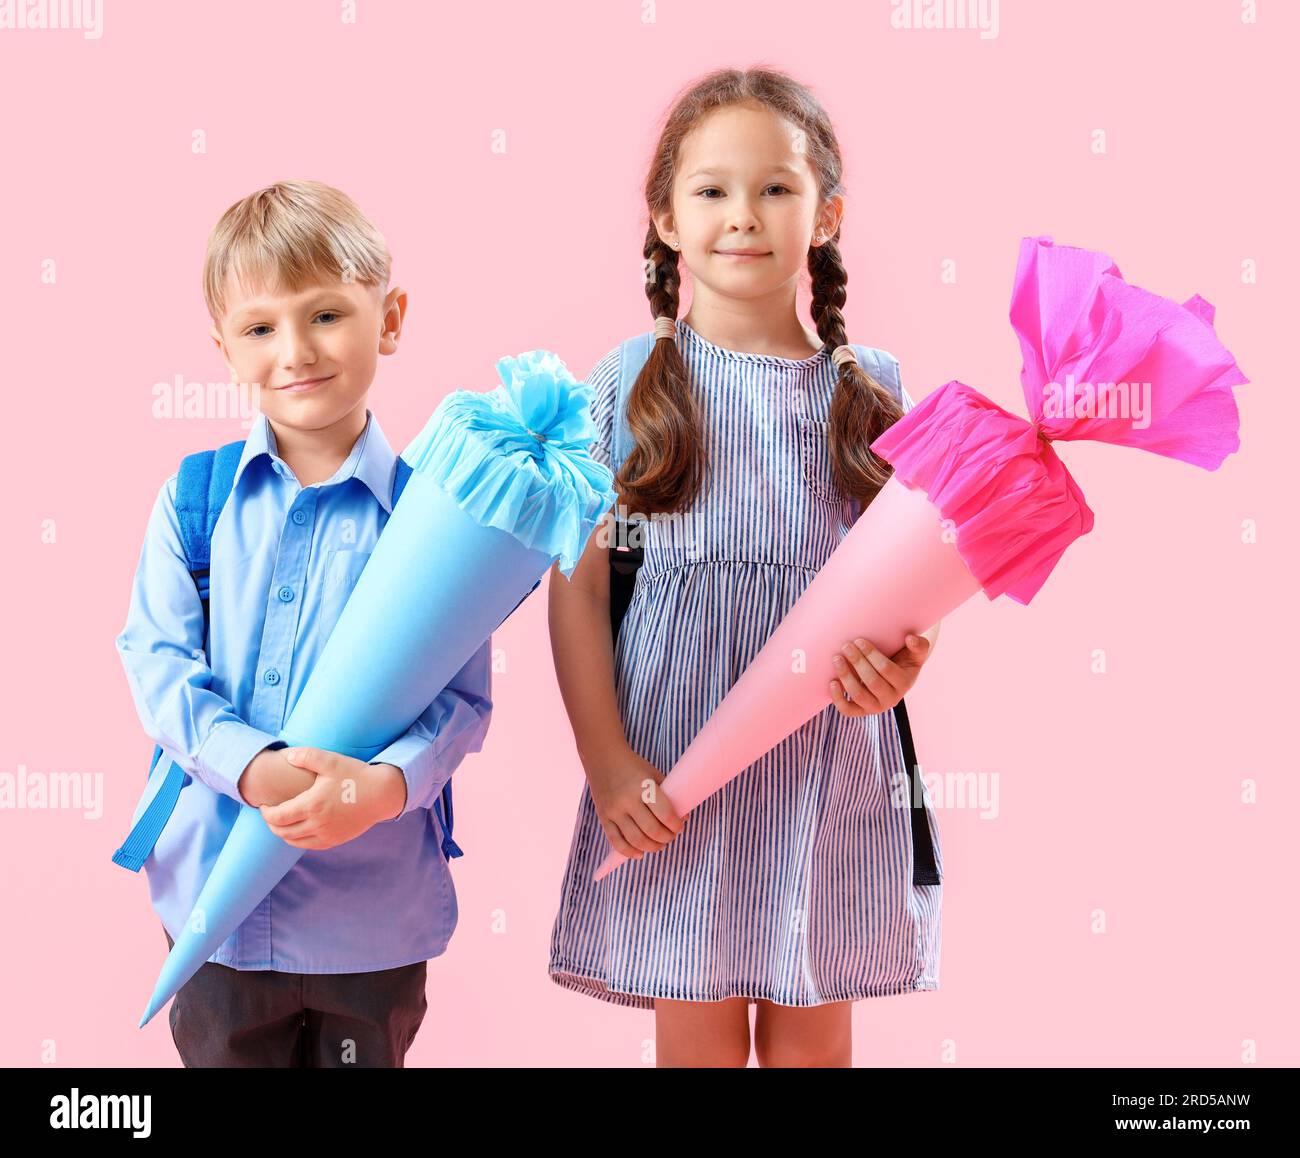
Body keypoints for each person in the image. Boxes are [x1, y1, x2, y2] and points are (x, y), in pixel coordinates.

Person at [546, 68, 943, 1067]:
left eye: (775, 188)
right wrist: (605, 760)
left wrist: (908, 658)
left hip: (826, 756)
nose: (743, 216)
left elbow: (916, 575)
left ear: (825, 214)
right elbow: (579, 587)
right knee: (698, 1031)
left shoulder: (875, 388)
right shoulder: (626, 385)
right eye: (712, 190)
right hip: (676, 749)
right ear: (665, 216)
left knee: (814, 1029)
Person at [115, 180, 492, 1067]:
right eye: (259, 329)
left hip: (374, 921)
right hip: (218, 911)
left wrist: (379, 788)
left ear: (389, 318)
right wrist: (249, 766)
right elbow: (158, 660)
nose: (295, 352)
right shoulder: (195, 498)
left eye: (326, 314)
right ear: (224, 349)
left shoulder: (431, 523)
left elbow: (461, 706)